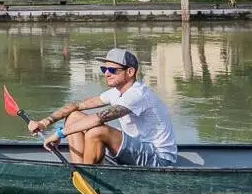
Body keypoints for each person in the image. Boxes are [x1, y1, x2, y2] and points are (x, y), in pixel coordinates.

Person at [26, 48, 178, 167]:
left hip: (158, 158)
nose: (106, 74)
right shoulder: (116, 92)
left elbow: (100, 118)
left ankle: (89, 178)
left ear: (130, 72)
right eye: (104, 69)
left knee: (98, 131)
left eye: (112, 70)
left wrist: (60, 133)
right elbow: (77, 105)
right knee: (74, 116)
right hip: (136, 150)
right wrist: (44, 123)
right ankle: (79, 170)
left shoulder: (138, 94)